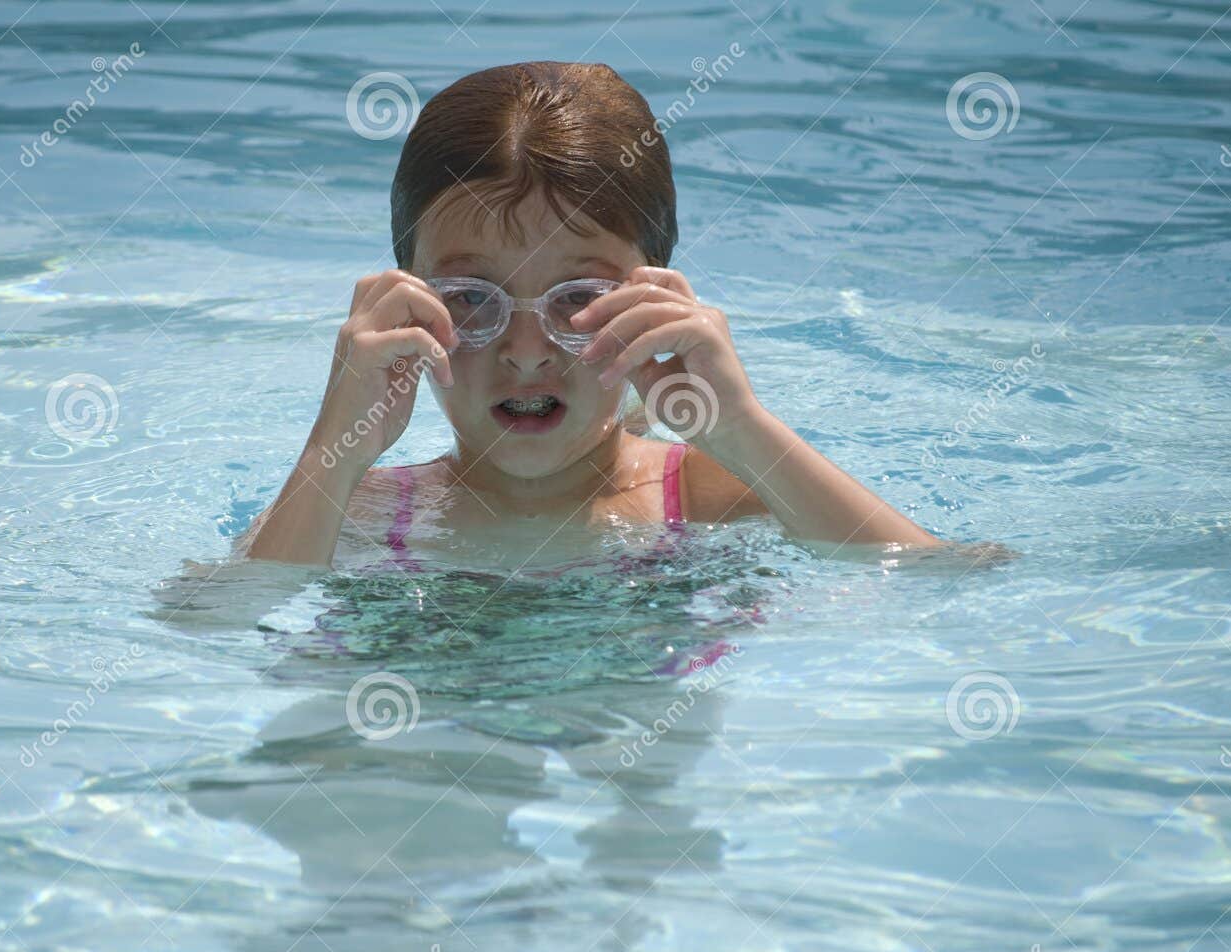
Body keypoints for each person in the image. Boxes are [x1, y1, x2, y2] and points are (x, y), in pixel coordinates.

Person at [241, 61, 945, 570]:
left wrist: (746, 432)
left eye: (576, 299)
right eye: (471, 299)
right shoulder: (362, 509)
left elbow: (944, 585)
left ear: (660, 303)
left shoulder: (713, 495)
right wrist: (333, 446)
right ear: (406, 313)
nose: (525, 351)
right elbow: (211, 624)